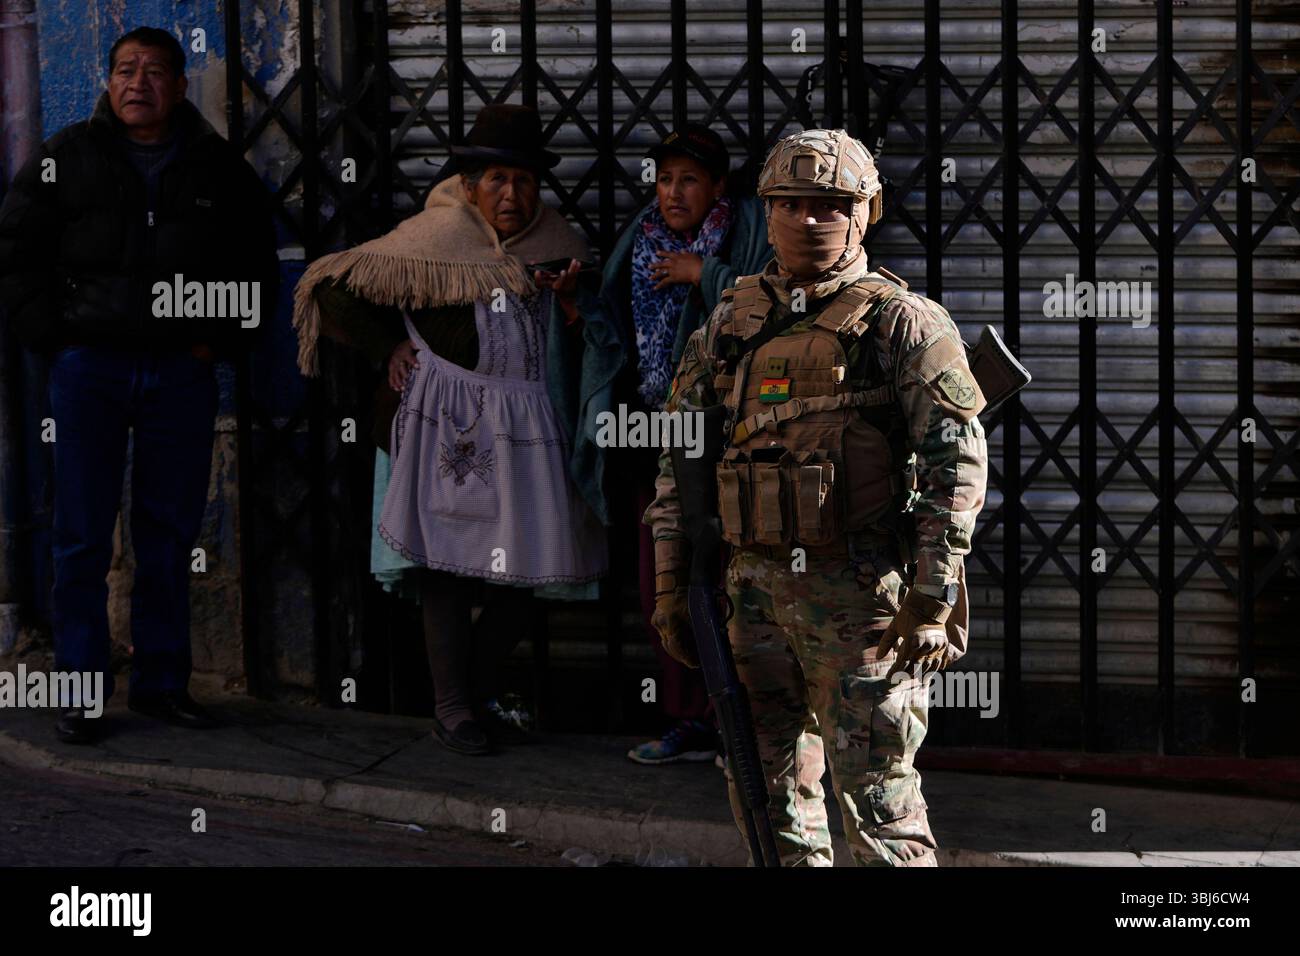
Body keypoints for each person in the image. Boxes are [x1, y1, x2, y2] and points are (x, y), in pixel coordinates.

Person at [645, 128, 989, 865]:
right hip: (753, 593)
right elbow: (682, 465)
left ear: (867, 211)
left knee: (878, 800)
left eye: (830, 204)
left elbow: (954, 465)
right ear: (766, 212)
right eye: (791, 203)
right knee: (766, 794)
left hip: (863, 599)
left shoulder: (902, 322)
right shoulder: (729, 323)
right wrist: (674, 585)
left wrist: (931, 597)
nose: (809, 219)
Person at [292, 104, 609, 755]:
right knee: (445, 567)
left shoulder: (560, 246)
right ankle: (454, 706)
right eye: (496, 180)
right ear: (469, 186)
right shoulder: (431, 239)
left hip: (527, 426)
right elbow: (331, 285)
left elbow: (595, 332)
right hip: (447, 423)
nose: (512, 194)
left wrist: (576, 307)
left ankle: (476, 686)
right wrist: (388, 348)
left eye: (523, 181)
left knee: (530, 566)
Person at [0, 27, 279, 744]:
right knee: (80, 536)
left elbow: (256, 262)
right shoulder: (67, 158)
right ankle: (81, 690)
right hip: (87, 370)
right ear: (109, 79)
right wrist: (52, 339)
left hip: (179, 373)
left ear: (180, 86)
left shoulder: (215, 168)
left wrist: (215, 342)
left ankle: (161, 686)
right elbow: (16, 252)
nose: (138, 83)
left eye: (155, 72)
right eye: (125, 70)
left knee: (168, 536)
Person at [579, 124, 771, 765]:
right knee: (662, 578)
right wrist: (577, 303)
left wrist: (704, 273)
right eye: (664, 179)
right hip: (655, 436)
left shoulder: (748, 231)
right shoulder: (642, 239)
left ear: (717, 185)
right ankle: (687, 718)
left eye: (688, 179)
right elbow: (615, 329)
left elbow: (770, 309)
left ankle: (738, 720)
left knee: (729, 576)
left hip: (725, 437)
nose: (673, 192)